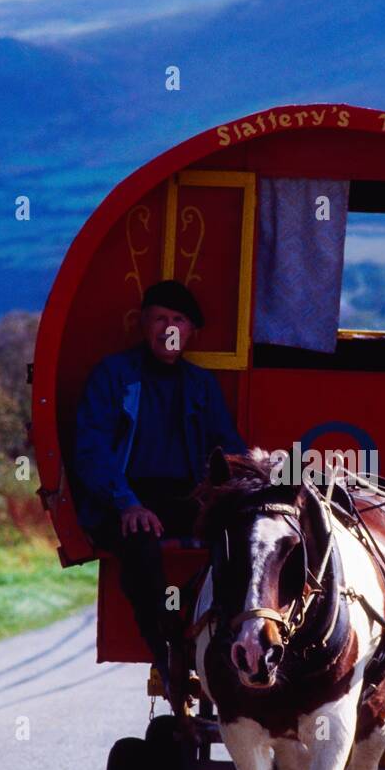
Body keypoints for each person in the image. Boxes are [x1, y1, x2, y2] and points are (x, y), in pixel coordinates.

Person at [72, 278, 247, 708]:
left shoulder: (200, 384)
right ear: (143, 324)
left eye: (179, 321)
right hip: (125, 497)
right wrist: (126, 501)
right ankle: (167, 652)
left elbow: (227, 447)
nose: (169, 328)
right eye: (161, 318)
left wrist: (253, 484)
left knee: (243, 539)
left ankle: (233, 642)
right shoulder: (114, 375)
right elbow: (90, 448)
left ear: (191, 332)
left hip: (186, 497)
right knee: (141, 543)